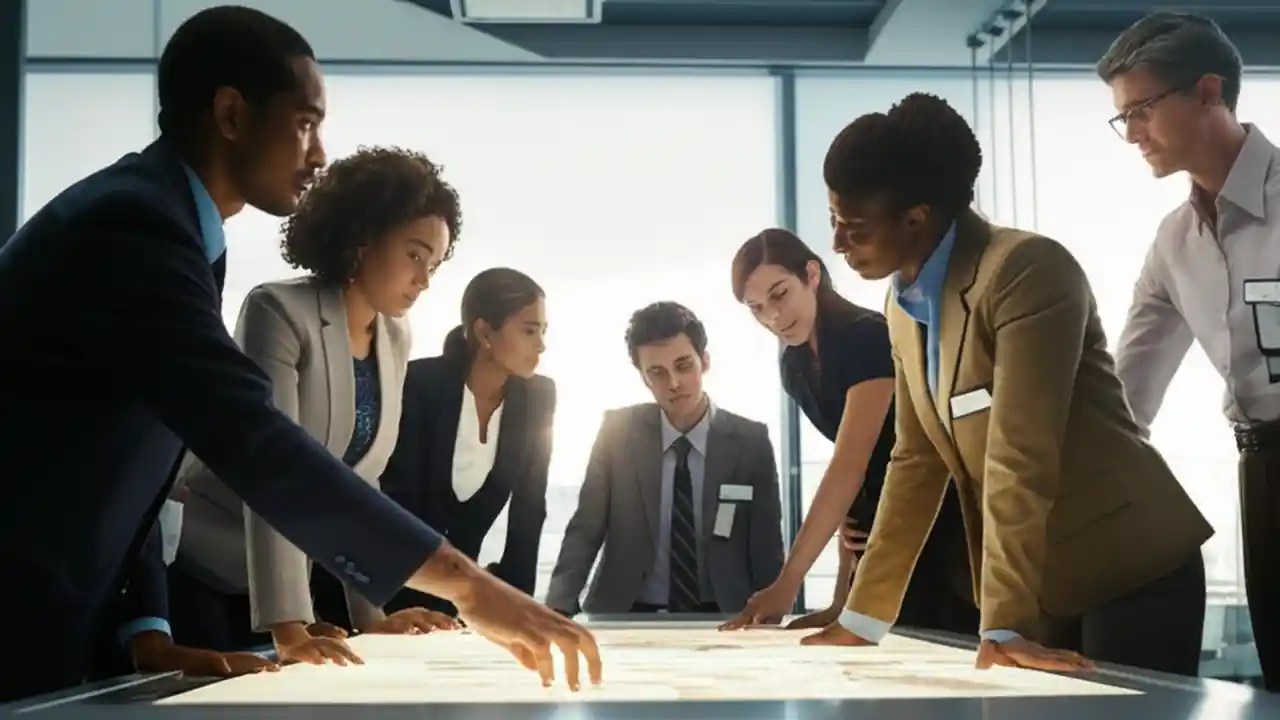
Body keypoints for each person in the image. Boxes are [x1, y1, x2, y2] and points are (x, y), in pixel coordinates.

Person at [0, 6, 597, 701]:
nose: (317, 155)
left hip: (67, 599)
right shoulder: (135, 227)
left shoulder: (170, 227)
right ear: (231, 114)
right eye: (306, 122)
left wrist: (141, 623)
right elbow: (252, 440)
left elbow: (140, 461)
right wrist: (468, 585)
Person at [797, 92, 1213, 678]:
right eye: (835, 221)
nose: (837, 243)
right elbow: (914, 460)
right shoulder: (904, 306)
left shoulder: (1026, 272)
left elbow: (1021, 453)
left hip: (1128, 566)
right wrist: (861, 618)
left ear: (915, 218)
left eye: (853, 227)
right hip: (1041, 580)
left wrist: (1005, 624)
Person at [171, 146, 462, 667]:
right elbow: (270, 473)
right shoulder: (277, 310)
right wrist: (289, 626)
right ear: (362, 237)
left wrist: (373, 617)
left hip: (287, 588)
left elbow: (358, 487)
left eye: (435, 264)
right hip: (207, 573)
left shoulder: (395, 335)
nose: (424, 278)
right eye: (415, 254)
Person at [1096, 12, 1280, 691]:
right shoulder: (1174, 243)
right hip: (1259, 471)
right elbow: (1126, 396)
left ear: (1208, 92)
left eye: (1141, 110)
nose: (1133, 135)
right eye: (1123, 118)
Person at [721, 229, 975, 634]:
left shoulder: (865, 336)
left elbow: (848, 468)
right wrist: (842, 600)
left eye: (780, 294)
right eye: (757, 308)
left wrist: (787, 584)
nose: (773, 317)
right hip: (876, 539)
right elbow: (853, 488)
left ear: (812, 274)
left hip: (933, 528)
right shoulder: (795, 367)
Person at [545, 302, 784, 615]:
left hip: (725, 614)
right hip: (624, 612)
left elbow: (766, 545)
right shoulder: (618, 433)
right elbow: (586, 529)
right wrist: (557, 608)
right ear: (644, 378)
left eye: (684, 366)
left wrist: (773, 616)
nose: (673, 383)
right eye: (657, 372)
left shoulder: (750, 442)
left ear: (705, 362)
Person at [379, 268, 555, 616]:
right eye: (530, 330)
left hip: (459, 604)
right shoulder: (418, 385)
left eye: (543, 331)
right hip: (387, 593)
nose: (541, 345)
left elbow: (529, 510)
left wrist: (518, 608)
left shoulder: (538, 395)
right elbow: (395, 503)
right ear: (485, 332)